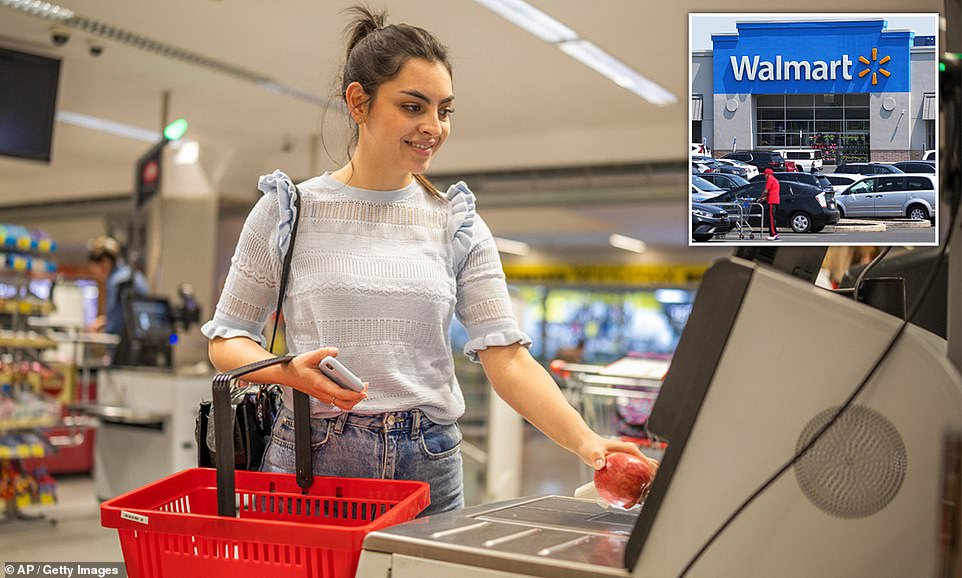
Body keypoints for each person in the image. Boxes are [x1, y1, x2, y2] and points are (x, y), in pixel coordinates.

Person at [202, 5, 656, 516]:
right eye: (413, 106)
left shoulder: (455, 223)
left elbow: (506, 357)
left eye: (445, 110)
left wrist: (586, 441)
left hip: (428, 458)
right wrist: (287, 371)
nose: (434, 127)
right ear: (359, 102)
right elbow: (226, 341)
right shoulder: (288, 210)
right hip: (312, 456)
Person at [86, 235, 149, 336]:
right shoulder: (135, 276)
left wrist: (109, 347)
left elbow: (114, 325)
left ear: (105, 263)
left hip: (124, 345)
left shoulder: (116, 282)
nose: (97, 276)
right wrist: (103, 321)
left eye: (95, 272)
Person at [759, 168, 781, 240]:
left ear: (768, 174)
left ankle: (773, 234)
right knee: (772, 217)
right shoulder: (775, 180)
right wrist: (763, 200)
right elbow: (770, 193)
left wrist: (760, 198)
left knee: (771, 218)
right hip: (774, 200)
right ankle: (773, 233)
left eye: (765, 175)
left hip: (772, 201)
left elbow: (766, 191)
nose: (764, 176)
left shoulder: (770, 180)